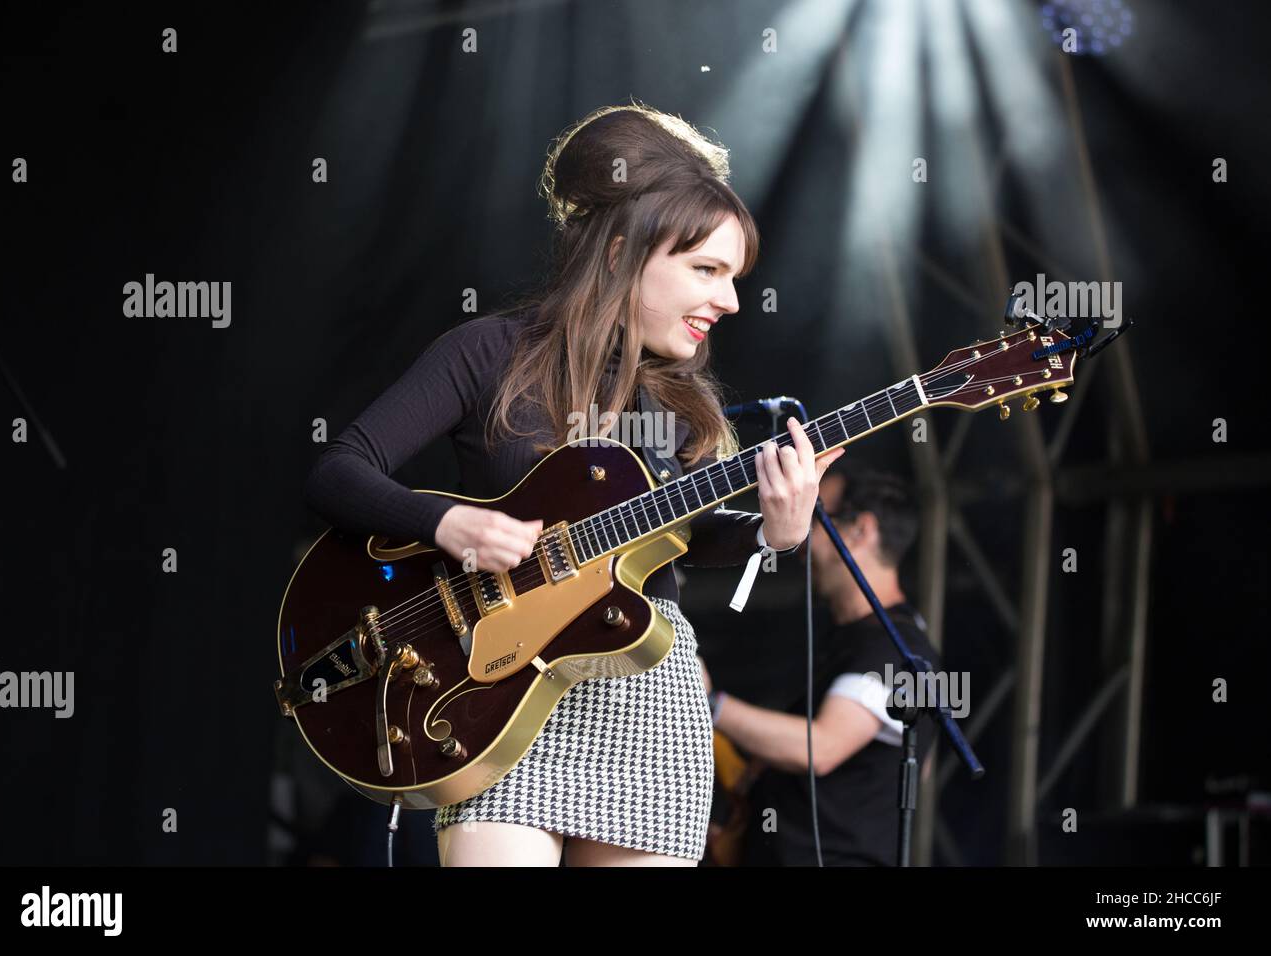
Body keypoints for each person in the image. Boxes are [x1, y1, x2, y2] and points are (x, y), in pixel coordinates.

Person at [302, 102, 841, 866]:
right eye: (707, 270)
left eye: (733, 276)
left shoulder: (688, 400)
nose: (730, 301)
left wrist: (774, 534)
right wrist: (447, 522)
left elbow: (689, 540)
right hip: (493, 695)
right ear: (622, 251)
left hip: (645, 696)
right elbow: (336, 471)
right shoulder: (487, 352)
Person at [703, 467, 940, 866]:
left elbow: (822, 748)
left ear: (860, 530)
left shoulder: (896, 649)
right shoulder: (860, 639)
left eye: (813, 515)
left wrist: (709, 702)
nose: (799, 539)